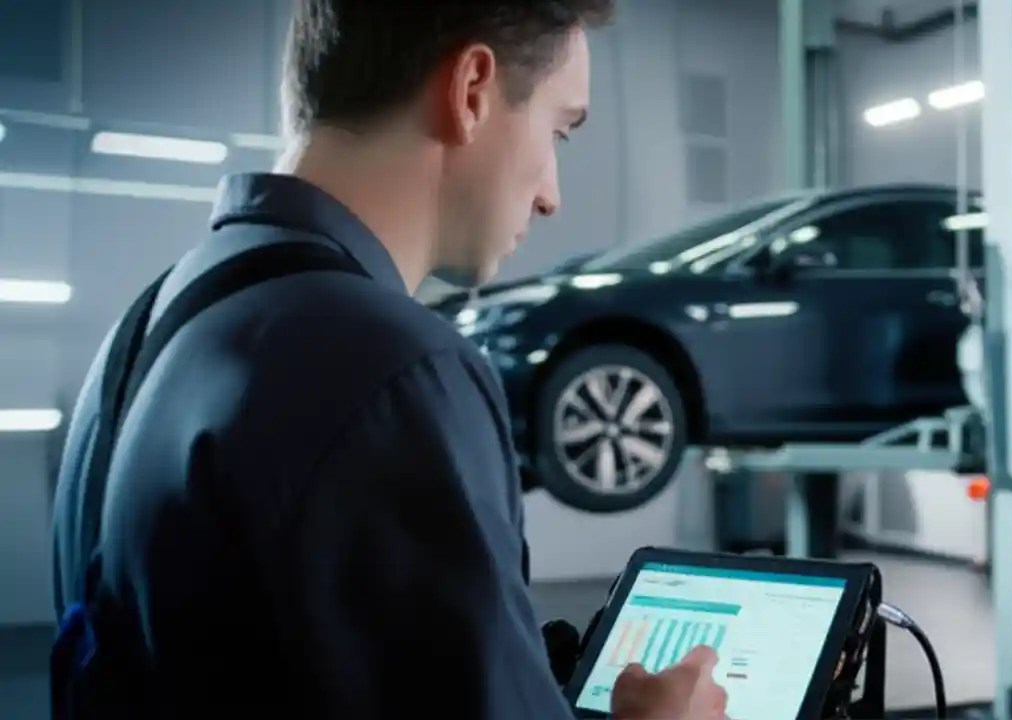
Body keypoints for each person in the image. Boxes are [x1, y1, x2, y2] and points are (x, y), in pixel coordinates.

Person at [49, 2, 728, 718]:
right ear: (471, 90)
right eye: (557, 131)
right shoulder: (391, 366)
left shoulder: (155, 321)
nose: (552, 195)